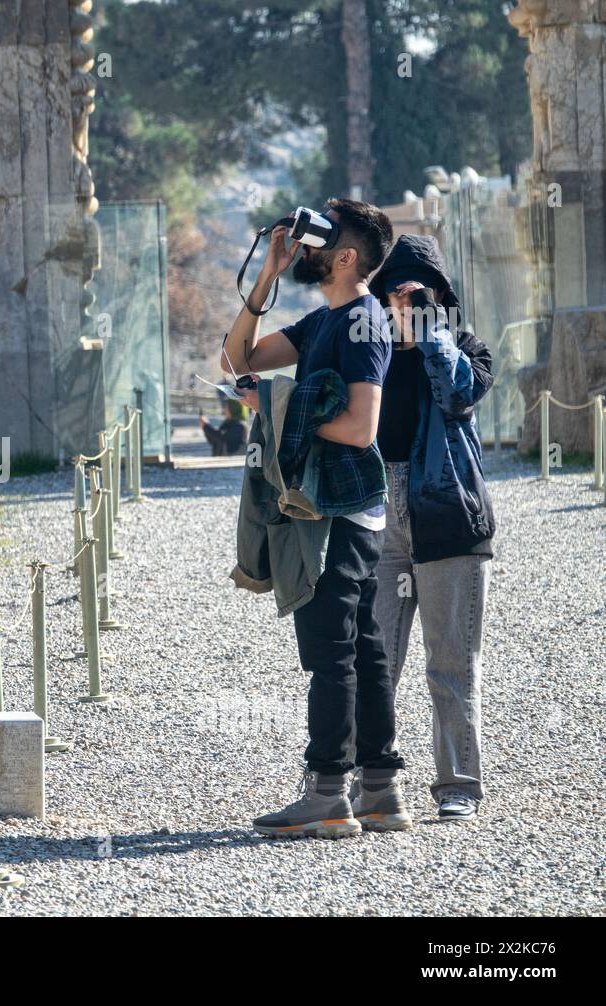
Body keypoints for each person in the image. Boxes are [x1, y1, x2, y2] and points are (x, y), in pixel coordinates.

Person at [222, 198, 409, 838]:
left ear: (346, 257)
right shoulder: (324, 320)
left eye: (318, 241)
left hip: (336, 512)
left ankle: (328, 792)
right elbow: (237, 359)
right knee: (362, 646)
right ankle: (380, 790)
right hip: (338, 508)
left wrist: (275, 406)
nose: (306, 247)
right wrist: (266, 277)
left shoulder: (363, 322)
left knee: (331, 652)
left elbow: (360, 429)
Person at [368, 234, 495, 823]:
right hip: (378, 520)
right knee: (373, 663)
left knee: (450, 664)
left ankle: (458, 787)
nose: (406, 300)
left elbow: (458, 395)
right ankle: (367, 783)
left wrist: (429, 333)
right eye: (397, 290)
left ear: (442, 296)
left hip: (447, 518)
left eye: (421, 291)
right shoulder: (371, 353)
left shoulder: (464, 348)